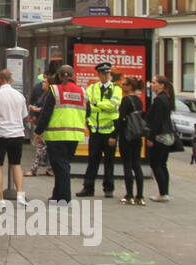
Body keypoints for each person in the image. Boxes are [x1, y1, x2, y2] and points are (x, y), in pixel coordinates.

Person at [34, 64, 86, 203]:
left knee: (61, 167)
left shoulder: (55, 90)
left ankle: (64, 197)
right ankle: (57, 195)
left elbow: (46, 113)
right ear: (72, 76)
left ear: (59, 76)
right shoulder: (82, 91)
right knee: (62, 165)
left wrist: (38, 131)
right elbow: (89, 112)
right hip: (75, 135)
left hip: (57, 135)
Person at [0, 69, 28, 211]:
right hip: (17, 135)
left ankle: (0, 199)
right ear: (11, 80)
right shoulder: (20, 96)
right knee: (16, 165)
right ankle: (21, 196)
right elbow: (23, 115)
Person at [78, 62, 122, 198]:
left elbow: (113, 106)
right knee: (92, 160)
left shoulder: (116, 89)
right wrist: (100, 106)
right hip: (95, 130)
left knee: (109, 161)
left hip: (110, 131)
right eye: (102, 73)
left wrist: (97, 104)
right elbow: (88, 104)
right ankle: (88, 188)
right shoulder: (92, 87)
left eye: (107, 73)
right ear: (98, 75)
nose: (105, 76)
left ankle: (108, 189)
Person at [145, 74, 175, 201]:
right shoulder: (166, 98)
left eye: (154, 82)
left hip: (160, 135)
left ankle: (162, 193)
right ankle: (165, 192)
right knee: (162, 164)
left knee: (156, 163)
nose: (151, 84)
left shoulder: (159, 100)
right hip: (168, 134)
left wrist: (151, 138)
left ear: (161, 85)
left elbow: (156, 121)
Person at [26, 62, 59, 177]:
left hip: (45, 126)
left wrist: (38, 130)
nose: (42, 84)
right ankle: (50, 169)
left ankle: (34, 170)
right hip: (43, 124)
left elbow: (46, 110)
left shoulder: (49, 95)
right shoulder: (45, 94)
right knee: (47, 149)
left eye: (45, 82)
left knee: (40, 149)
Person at [118, 76, 146, 204]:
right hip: (137, 135)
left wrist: (114, 135)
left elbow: (121, 119)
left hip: (126, 135)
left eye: (124, 84)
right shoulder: (139, 101)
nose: (122, 86)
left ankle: (129, 194)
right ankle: (140, 196)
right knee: (137, 165)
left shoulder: (125, 100)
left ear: (129, 86)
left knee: (127, 165)